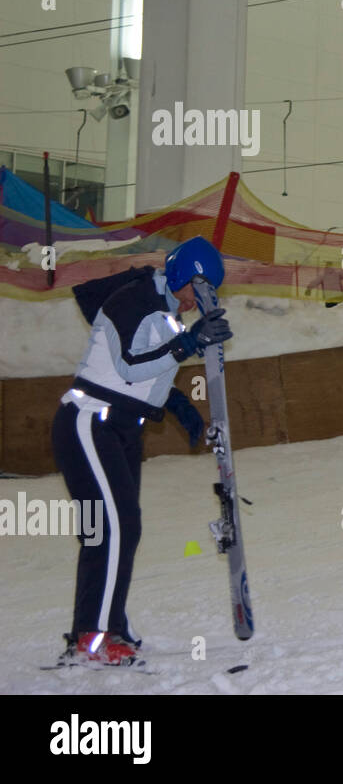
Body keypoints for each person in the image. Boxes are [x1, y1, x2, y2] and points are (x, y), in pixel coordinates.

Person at [52, 236, 232, 667]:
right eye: (198, 291)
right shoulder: (134, 298)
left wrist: (182, 408)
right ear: (181, 276)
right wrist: (189, 343)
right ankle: (94, 636)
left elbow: (149, 375)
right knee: (117, 528)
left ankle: (100, 626)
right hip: (88, 421)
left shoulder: (167, 311)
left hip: (120, 427)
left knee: (109, 531)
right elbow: (130, 363)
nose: (197, 302)